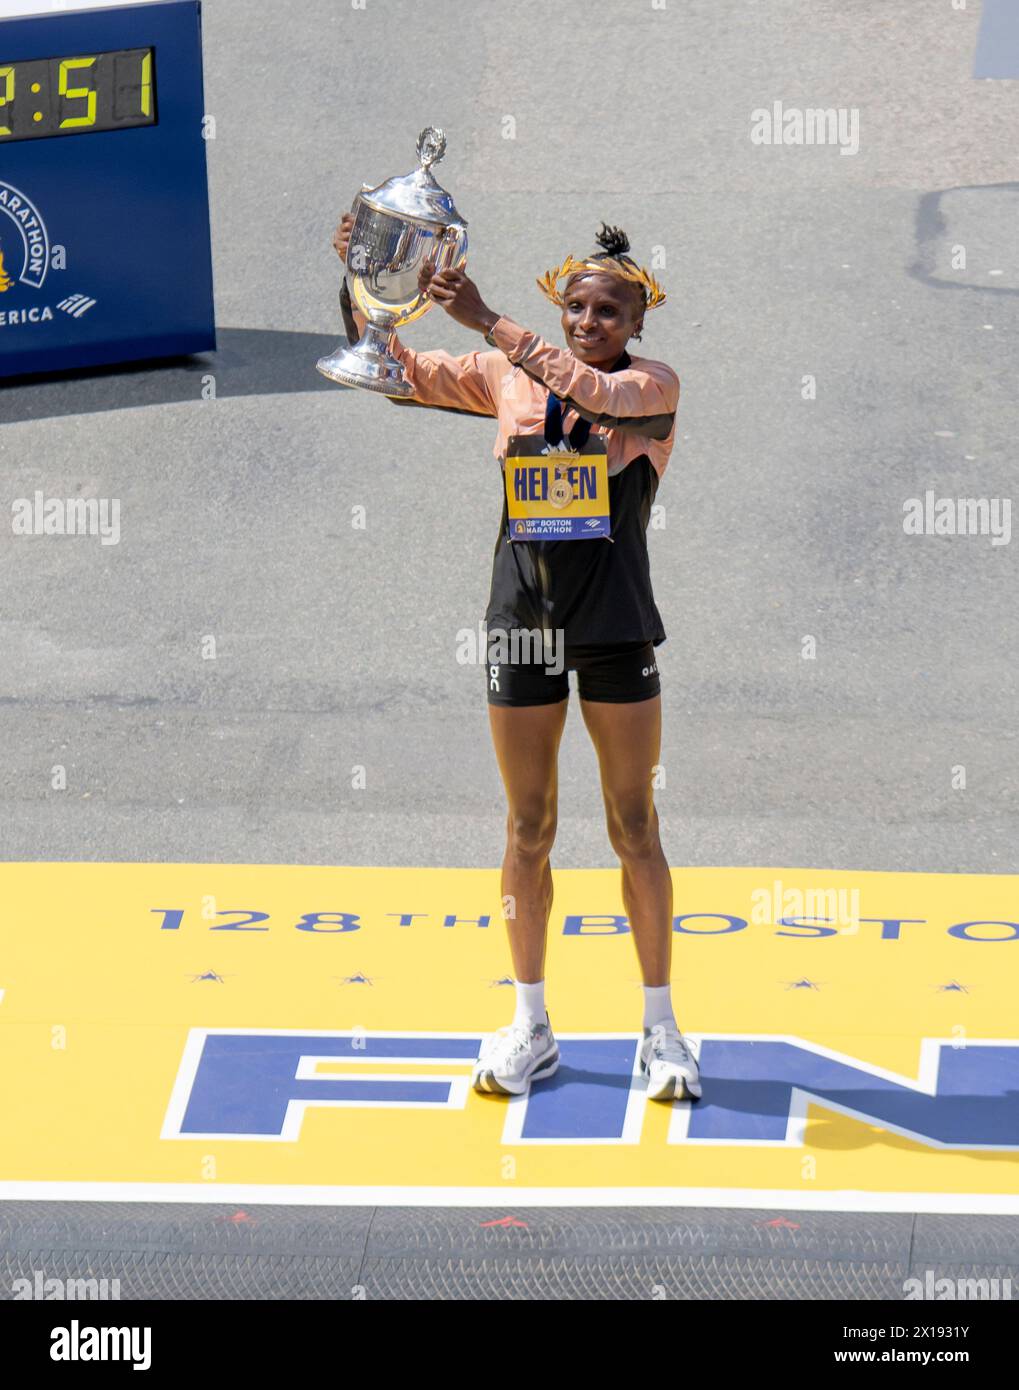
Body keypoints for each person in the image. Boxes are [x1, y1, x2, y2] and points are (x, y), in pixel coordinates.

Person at [332, 214, 701, 1103]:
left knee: (633, 829)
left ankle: (661, 1031)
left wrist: (494, 319)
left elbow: (591, 394)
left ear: (637, 323)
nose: (589, 324)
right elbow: (396, 374)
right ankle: (529, 1022)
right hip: (523, 626)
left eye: (609, 312)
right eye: (577, 307)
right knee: (527, 829)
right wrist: (363, 277)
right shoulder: (504, 376)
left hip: (613, 625)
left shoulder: (650, 388)